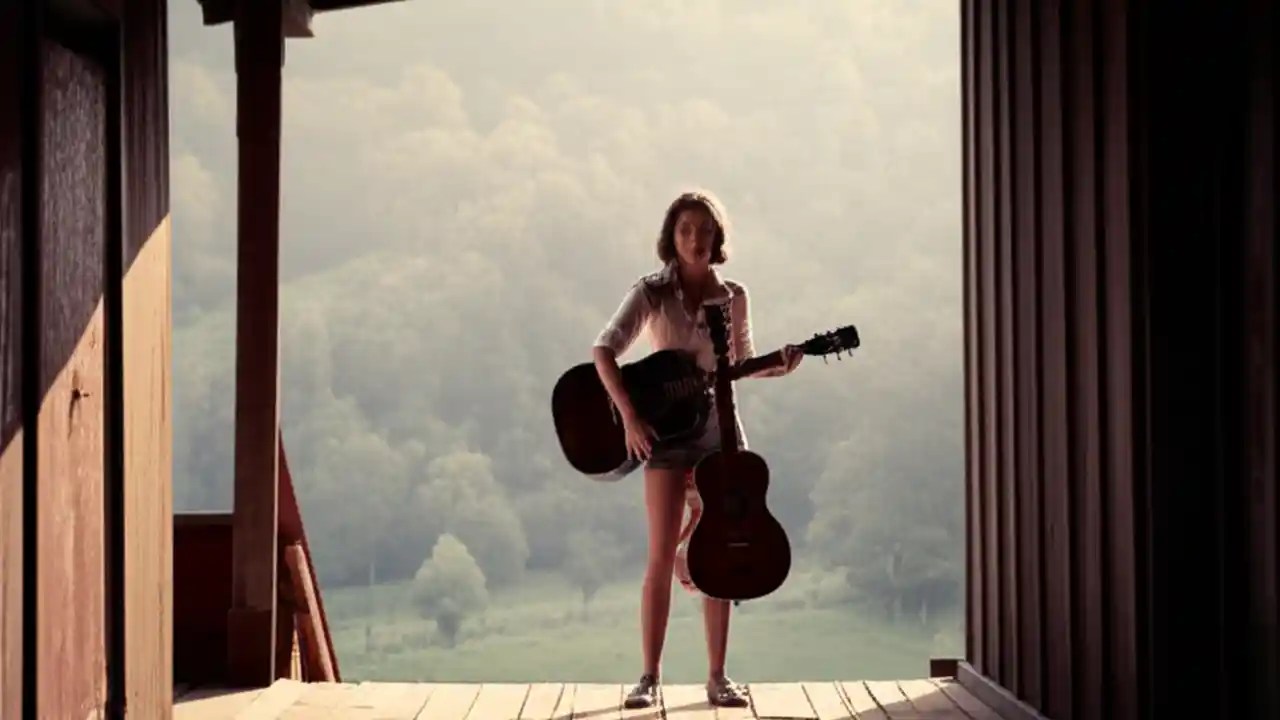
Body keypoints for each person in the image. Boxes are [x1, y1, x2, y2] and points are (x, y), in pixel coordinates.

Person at [591, 189, 803, 709]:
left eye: (705, 230)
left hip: (718, 432)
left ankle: (718, 677)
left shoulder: (732, 295)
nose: (696, 239)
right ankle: (648, 677)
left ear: (718, 237)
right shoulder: (650, 293)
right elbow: (603, 350)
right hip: (663, 434)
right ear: (672, 236)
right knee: (660, 555)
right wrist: (631, 418)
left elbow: (742, 363)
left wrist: (781, 364)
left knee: (721, 552)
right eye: (686, 229)